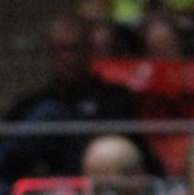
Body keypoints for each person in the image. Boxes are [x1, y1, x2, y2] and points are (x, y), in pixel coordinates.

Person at [0, 13, 142, 182]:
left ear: (89, 51)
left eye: (75, 49)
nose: (69, 58)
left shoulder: (116, 97)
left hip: (101, 187)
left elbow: (133, 151)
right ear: (49, 53)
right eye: (61, 50)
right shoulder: (31, 104)